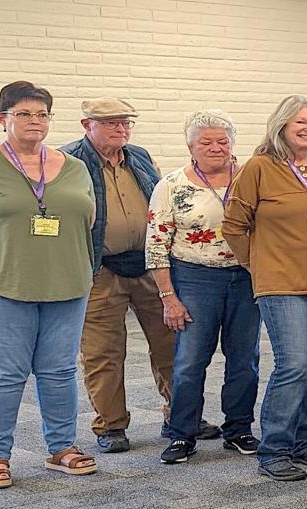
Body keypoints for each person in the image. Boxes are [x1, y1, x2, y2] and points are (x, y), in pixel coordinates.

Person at [0, 81, 99, 488]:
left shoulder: (74, 167)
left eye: (41, 114)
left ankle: (61, 448)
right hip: (1, 288)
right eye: (23, 113)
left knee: (58, 372)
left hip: (68, 285)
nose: (34, 121)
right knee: (5, 374)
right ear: (2, 119)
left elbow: (86, 222)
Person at [222, 95, 307, 482]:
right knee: (294, 364)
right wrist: (258, 264)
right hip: (282, 283)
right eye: (300, 122)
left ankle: (303, 440)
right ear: (281, 125)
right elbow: (234, 226)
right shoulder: (259, 168)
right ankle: (275, 448)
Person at [63, 96, 189, 453]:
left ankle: (180, 416)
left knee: (170, 343)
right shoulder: (68, 161)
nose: (121, 129)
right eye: (111, 123)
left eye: (126, 122)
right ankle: (111, 425)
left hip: (149, 266)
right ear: (87, 125)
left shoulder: (140, 157)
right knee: (103, 351)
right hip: (99, 269)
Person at [148, 109, 261, 463]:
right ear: (190, 146)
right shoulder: (171, 185)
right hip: (195, 277)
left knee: (245, 358)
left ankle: (239, 429)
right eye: (206, 142)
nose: (216, 147)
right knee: (190, 360)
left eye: (223, 141)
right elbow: (156, 245)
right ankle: (183, 433)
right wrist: (169, 297)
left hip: (247, 277)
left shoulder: (253, 178)